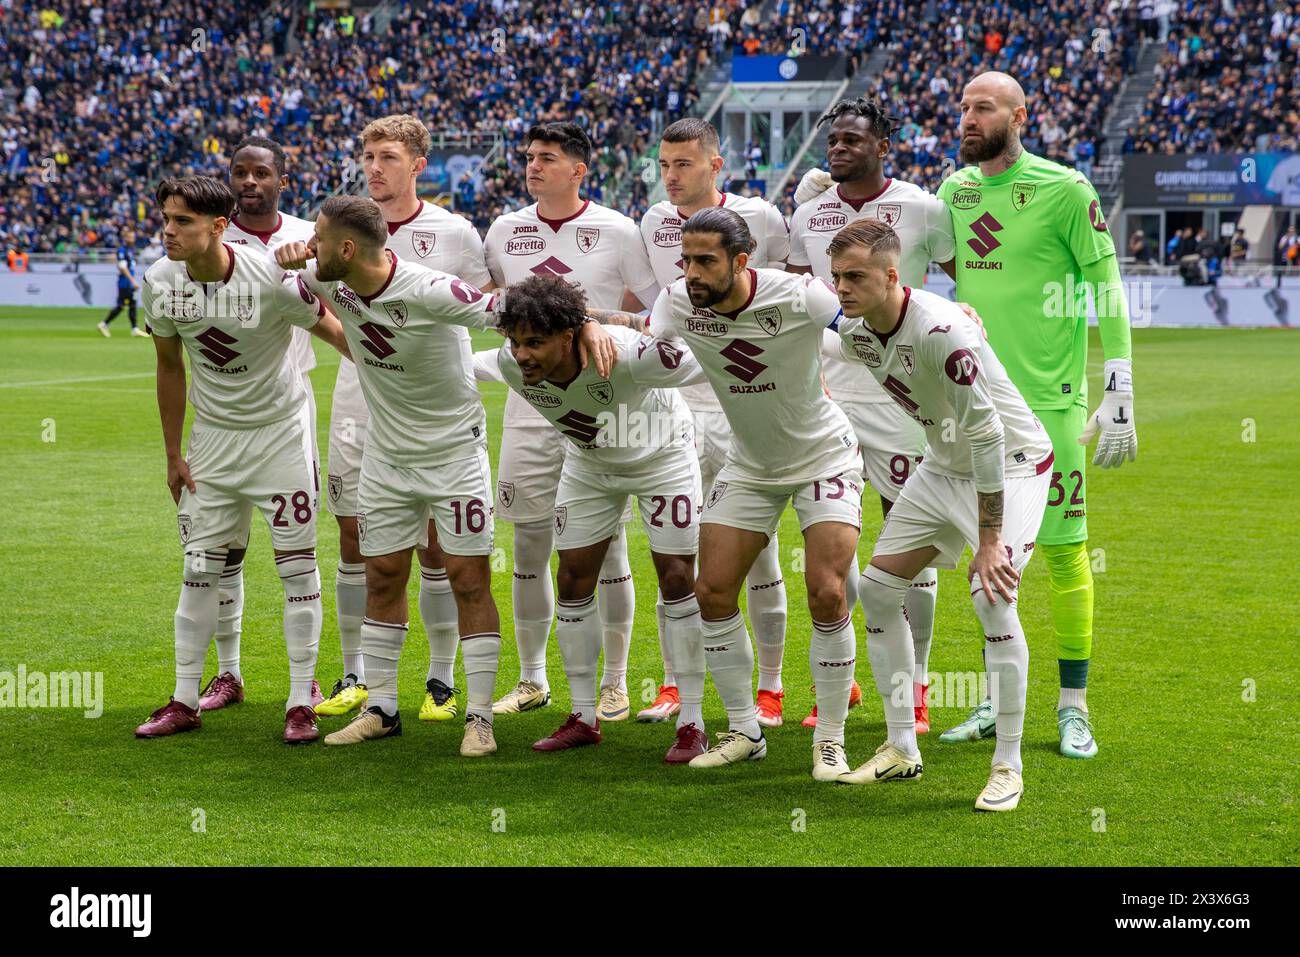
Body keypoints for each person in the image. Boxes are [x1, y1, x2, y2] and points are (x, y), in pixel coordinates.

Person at [279, 196, 600, 756]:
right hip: (385, 456)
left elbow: (515, 310)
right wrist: (291, 257)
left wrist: (588, 320)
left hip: (454, 455)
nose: (311, 245)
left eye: (319, 237)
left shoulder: (431, 289)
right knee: (381, 575)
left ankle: (479, 718)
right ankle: (381, 708)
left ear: (347, 249)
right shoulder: (326, 277)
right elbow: (285, 282)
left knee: (468, 578)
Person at [937, 71, 1137, 759]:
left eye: (983, 107)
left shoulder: (1065, 189)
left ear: (1020, 115)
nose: (968, 116)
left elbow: (1107, 287)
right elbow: (900, 254)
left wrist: (1118, 383)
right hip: (977, 410)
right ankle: (999, 697)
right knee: (990, 555)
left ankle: (1073, 707)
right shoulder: (954, 193)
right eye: (963, 106)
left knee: (1062, 552)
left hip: (1052, 409)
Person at [826, 217, 1052, 811]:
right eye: (837, 277)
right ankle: (901, 747)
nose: (843, 288)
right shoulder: (856, 333)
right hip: (942, 464)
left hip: (1014, 463)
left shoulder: (942, 332)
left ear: (892, 276)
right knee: (877, 591)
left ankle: (1008, 765)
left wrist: (989, 539)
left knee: (991, 595)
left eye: (855, 277)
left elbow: (989, 434)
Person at [635, 207, 864, 781]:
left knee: (828, 593)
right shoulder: (679, 300)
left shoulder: (800, 295)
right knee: (710, 591)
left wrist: (944, 313)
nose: (690, 272)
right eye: (685, 259)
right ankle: (744, 728)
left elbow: (871, 325)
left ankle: (831, 740)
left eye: (705, 261)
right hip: (752, 464)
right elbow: (644, 341)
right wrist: (590, 326)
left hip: (824, 457)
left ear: (741, 260)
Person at [133, 176, 351, 744]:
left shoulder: (271, 278)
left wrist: (402, 377)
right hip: (212, 444)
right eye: (166, 218)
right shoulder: (160, 282)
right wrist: (173, 453)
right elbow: (170, 366)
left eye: (183, 221)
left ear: (218, 227)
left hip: (280, 437)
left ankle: (301, 700)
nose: (169, 230)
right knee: (200, 569)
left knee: (295, 568)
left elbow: (335, 333)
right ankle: (184, 699)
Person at [315, 115, 494, 726]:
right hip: (361, 398)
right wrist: (368, 353)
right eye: (366, 156)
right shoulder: (336, 237)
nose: (373, 167)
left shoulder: (454, 233)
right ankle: (356, 676)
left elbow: (478, 310)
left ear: (419, 163)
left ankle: (441, 680)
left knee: (442, 547)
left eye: (386, 156)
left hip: (435, 411)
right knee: (357, 537)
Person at [482, 122, 660, 722]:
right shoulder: (505, 230)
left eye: (548, 158)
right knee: (528, 544)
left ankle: (614, 682)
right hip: (531, 409)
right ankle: (532, 678)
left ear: (579, 170)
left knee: (605, 549)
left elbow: (653, 307)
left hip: (598, 408)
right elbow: (494, 312)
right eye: (530, 157)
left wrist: (588, 321)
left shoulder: (616, 229)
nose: (534, 166)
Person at [789, 96, 956, 733]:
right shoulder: (809, 211)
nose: (839, 148)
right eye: (833, 139)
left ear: (882, 146)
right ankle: (841, 677)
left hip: (902, 397)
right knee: (828, 539)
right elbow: (800, 294)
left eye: (854, 140)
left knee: (907, 536)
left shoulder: (922, 208)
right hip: (826, 395)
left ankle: (913, 686)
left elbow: (958, 276)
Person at [493, 275, 709, 761]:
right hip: (590, 465)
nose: (522, 354)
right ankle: (584, 716)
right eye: (516, 341)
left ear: (567, 338)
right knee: (571, 578)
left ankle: (693, 721)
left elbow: (712, 358)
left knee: (677, 577)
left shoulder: (633, 356)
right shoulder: (510, 363)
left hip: (663, 458)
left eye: (535, 343)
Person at [638, 117, 792, 728]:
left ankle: (773, 688)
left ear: (715, 164)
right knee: (673, 548)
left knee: (759, 553)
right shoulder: (652, 223)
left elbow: (789, 294)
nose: (672, 177)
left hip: (746, 405)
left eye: (684, 165)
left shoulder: (762, 219)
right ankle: (676, 684)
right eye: (665, 165)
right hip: (676, 411)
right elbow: (657, 315)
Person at [196, 136, 322, 713]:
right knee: (225, 548)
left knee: (295, 547)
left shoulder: (309, 237)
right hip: (224, 412)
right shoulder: (209, 235)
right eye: (239, 173)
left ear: (282, 180)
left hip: (288, 408)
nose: (250, 182)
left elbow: (337, 304)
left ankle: (307, 682)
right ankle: (229, 673)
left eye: (261, 173)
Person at [97, 227, 147, 338]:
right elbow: (122, 267)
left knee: (132, 304)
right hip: (124, 283)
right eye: (130, 237)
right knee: (122, 306)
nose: (132, 239)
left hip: (129, 283)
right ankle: (104, 324)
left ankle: (134, 329)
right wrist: (133, 281)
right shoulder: (122, 250)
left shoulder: (130, 250)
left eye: (133, 237)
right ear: (125, 238)